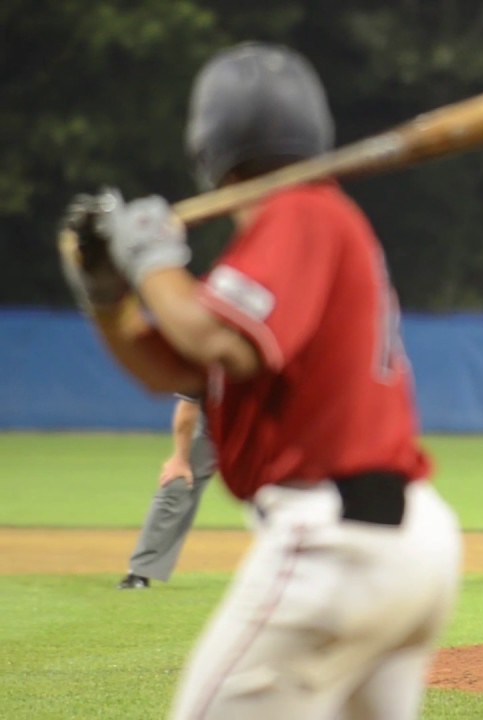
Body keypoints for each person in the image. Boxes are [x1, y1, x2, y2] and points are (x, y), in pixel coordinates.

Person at [58, 42, 462, 717]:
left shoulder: (299, 212)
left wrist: (151, 257)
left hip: (334, 543)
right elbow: (172, 365)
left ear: (206, 145)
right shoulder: (303, 226)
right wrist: (108, 296)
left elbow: (220, 341)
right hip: (402, 542)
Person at [117, 395, 217, 590]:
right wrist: (180, 458)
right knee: (177, 483)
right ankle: (140, 573)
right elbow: (188, 407)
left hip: (269, 426)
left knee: (279, 491)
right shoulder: (205, 375)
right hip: (215, 428)